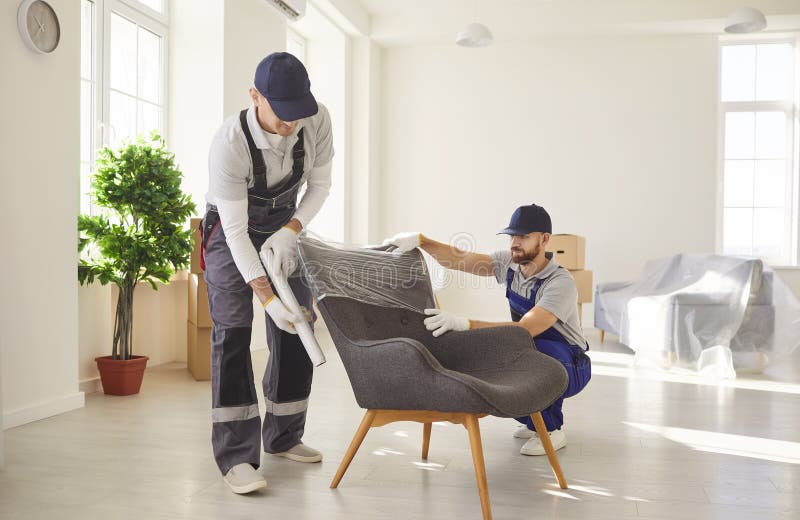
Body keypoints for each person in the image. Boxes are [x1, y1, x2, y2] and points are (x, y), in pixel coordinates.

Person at [201, 52, 333, 494]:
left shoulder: (314, 119)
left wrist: (292, 230)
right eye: (282, 111)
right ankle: (236, 457)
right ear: (254, 96)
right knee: (234, 331)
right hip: (230, 233)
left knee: (300, 325)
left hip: (283, 229)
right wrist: (269, 299)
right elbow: (237, 233)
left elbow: (320, 186)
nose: (292, 122)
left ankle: (283, 435)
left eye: (299, 110)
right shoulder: (230, 143)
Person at [383, 203, 591, 456]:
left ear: (545, 239)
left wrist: (466, 325)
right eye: (513, 235)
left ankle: (552, 430)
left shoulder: (560, 282)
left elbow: (526, 329)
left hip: (571, 363)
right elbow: (459, 260)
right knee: (510, 352)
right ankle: (535, 418)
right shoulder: (510, 263)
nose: (515, 242)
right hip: (532, 345)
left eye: (523, 236)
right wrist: (421, 240)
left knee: (533, 350)